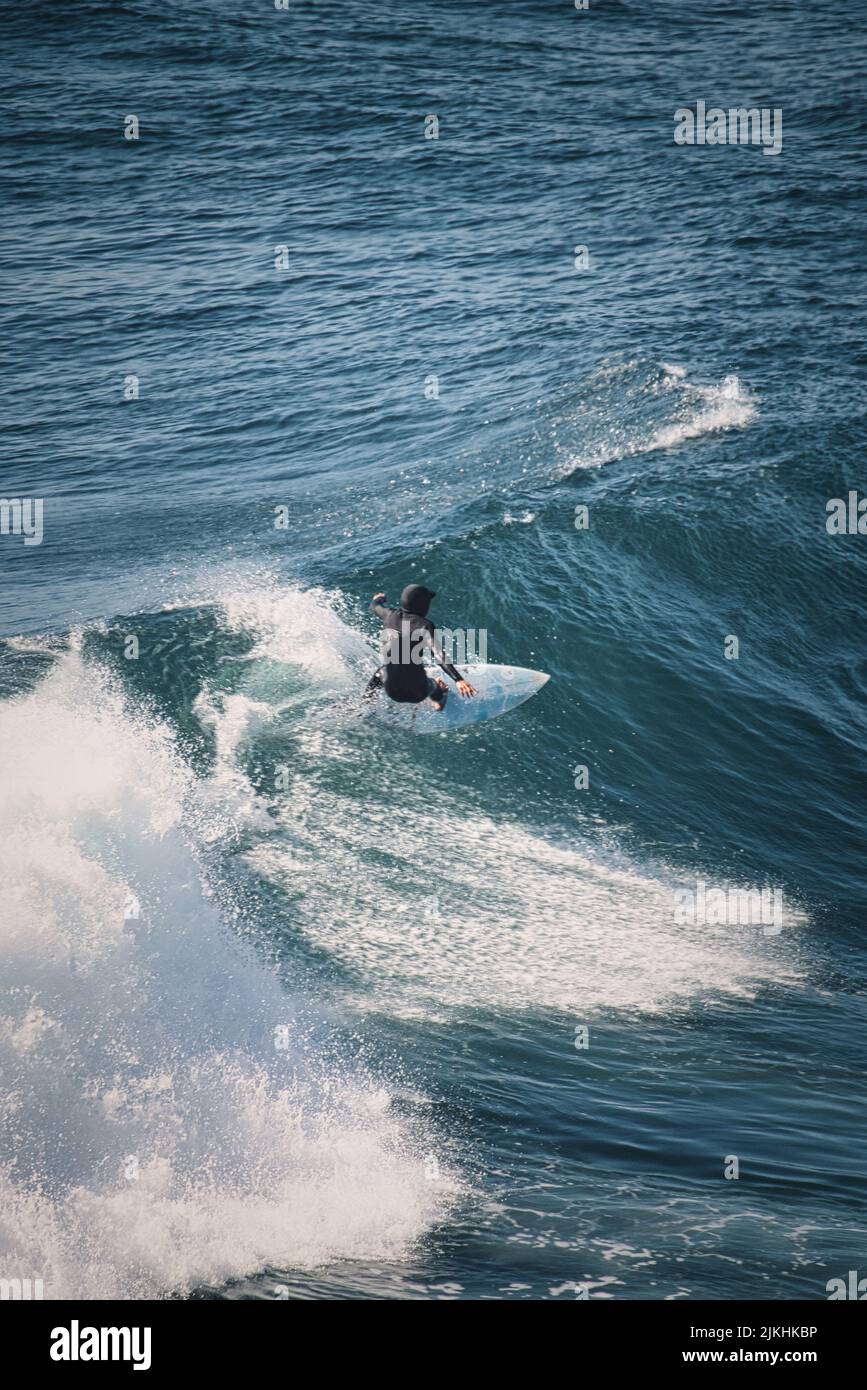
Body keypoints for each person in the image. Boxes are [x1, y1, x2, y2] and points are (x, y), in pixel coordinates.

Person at [366, 584, 476, 711]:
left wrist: (378, 598)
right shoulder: (425, 625)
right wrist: (458, 679)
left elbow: (374, 606)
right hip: (417, 693)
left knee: (381, 672)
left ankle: (366, 702)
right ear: (423, 606)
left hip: (391, 691)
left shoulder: (389, 615)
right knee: (434, 685)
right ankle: (440, 700)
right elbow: (438, 655)